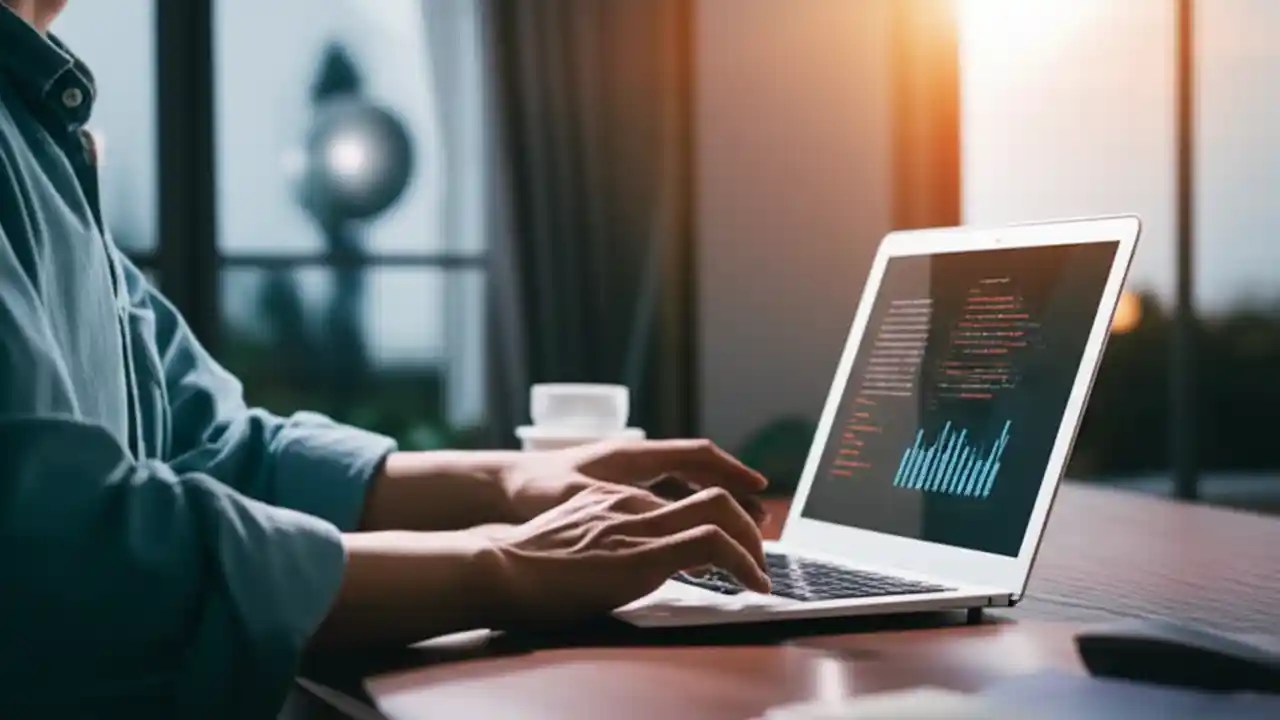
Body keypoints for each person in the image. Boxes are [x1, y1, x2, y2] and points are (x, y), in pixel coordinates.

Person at [0, 1, 770, 715]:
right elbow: (66, 557)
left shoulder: (37, 128)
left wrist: (509, 482)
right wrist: (499, 563)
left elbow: (221, 453)